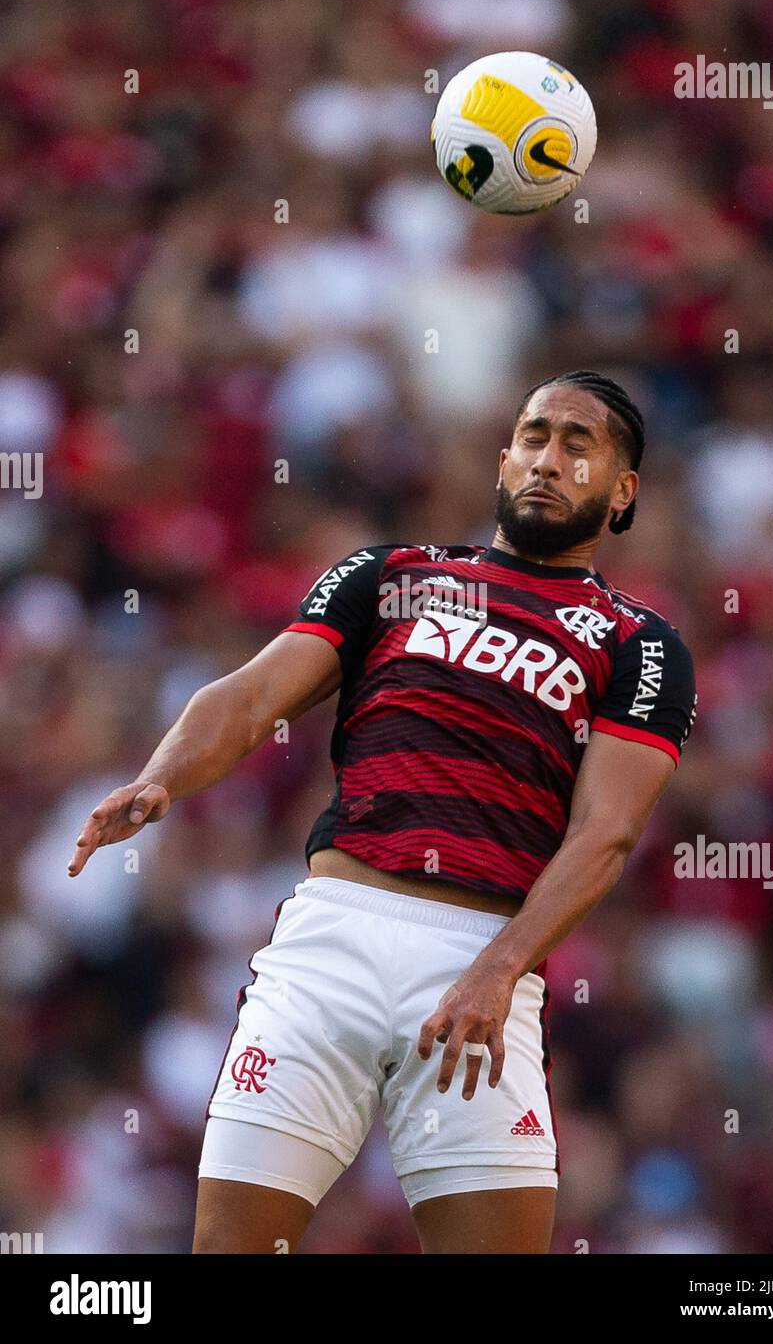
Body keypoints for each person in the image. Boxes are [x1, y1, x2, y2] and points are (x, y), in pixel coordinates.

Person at [68, 370, 697, 1255]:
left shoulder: (640, 643)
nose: (547, 460)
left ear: (622, 491)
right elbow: (248, 699)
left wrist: (499, 969)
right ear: (503, 457)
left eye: (577, 445)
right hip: (332, 943)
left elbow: (607, 834)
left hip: (484, 958)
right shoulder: (391, 574)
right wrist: (162, 776)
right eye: (533, 436)